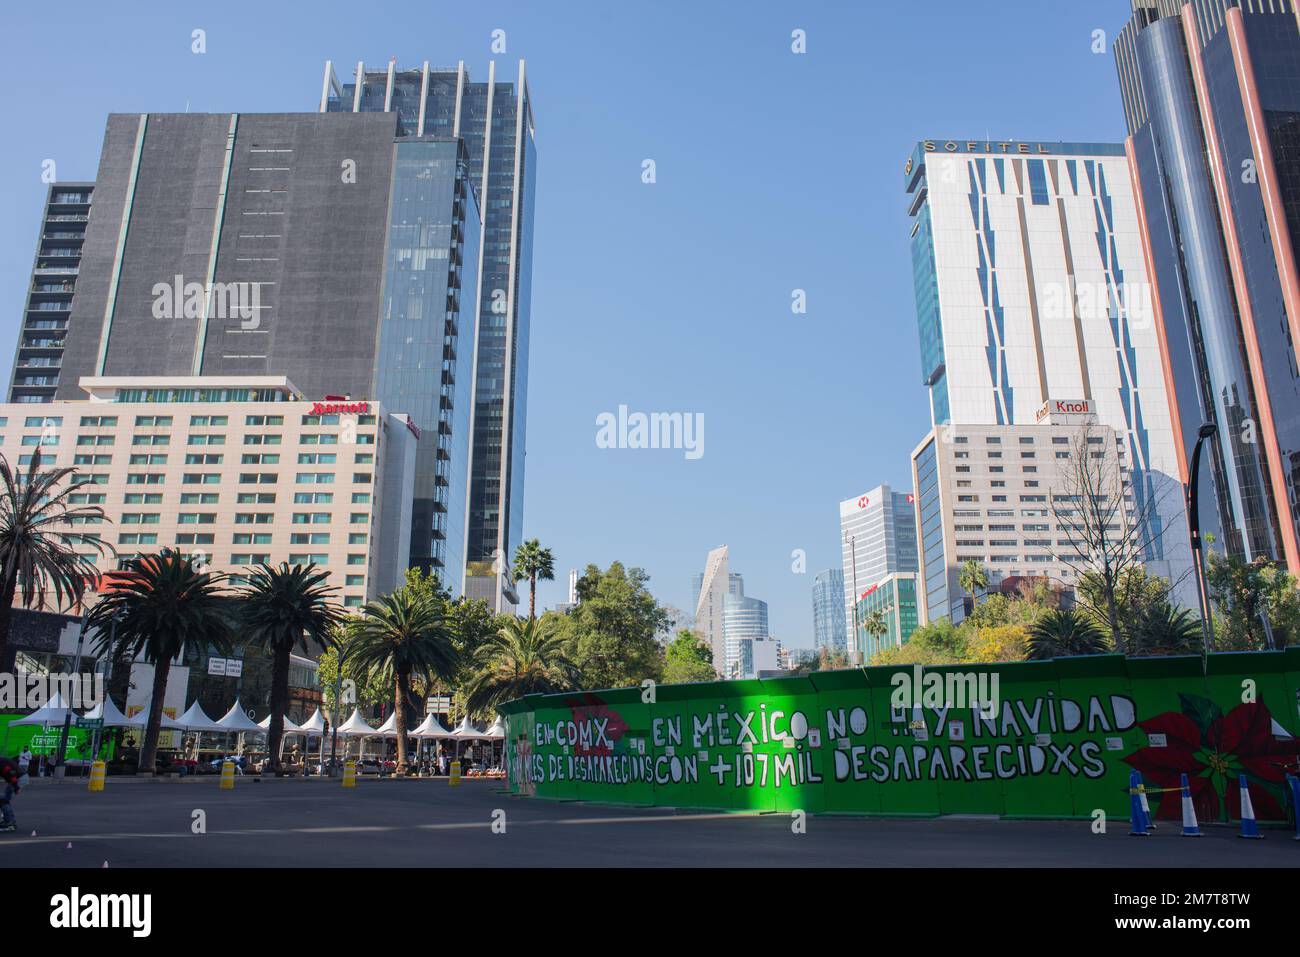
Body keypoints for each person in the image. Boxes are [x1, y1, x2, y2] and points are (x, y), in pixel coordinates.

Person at [0, 755, 22, 832]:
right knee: (4, 800)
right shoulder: (2, 760)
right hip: (16, 779)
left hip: (18, 779)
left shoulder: (1, 762)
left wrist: (16, 787)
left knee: (3, 800)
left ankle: (10, 823)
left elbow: (11, 773)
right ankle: (8, 821)